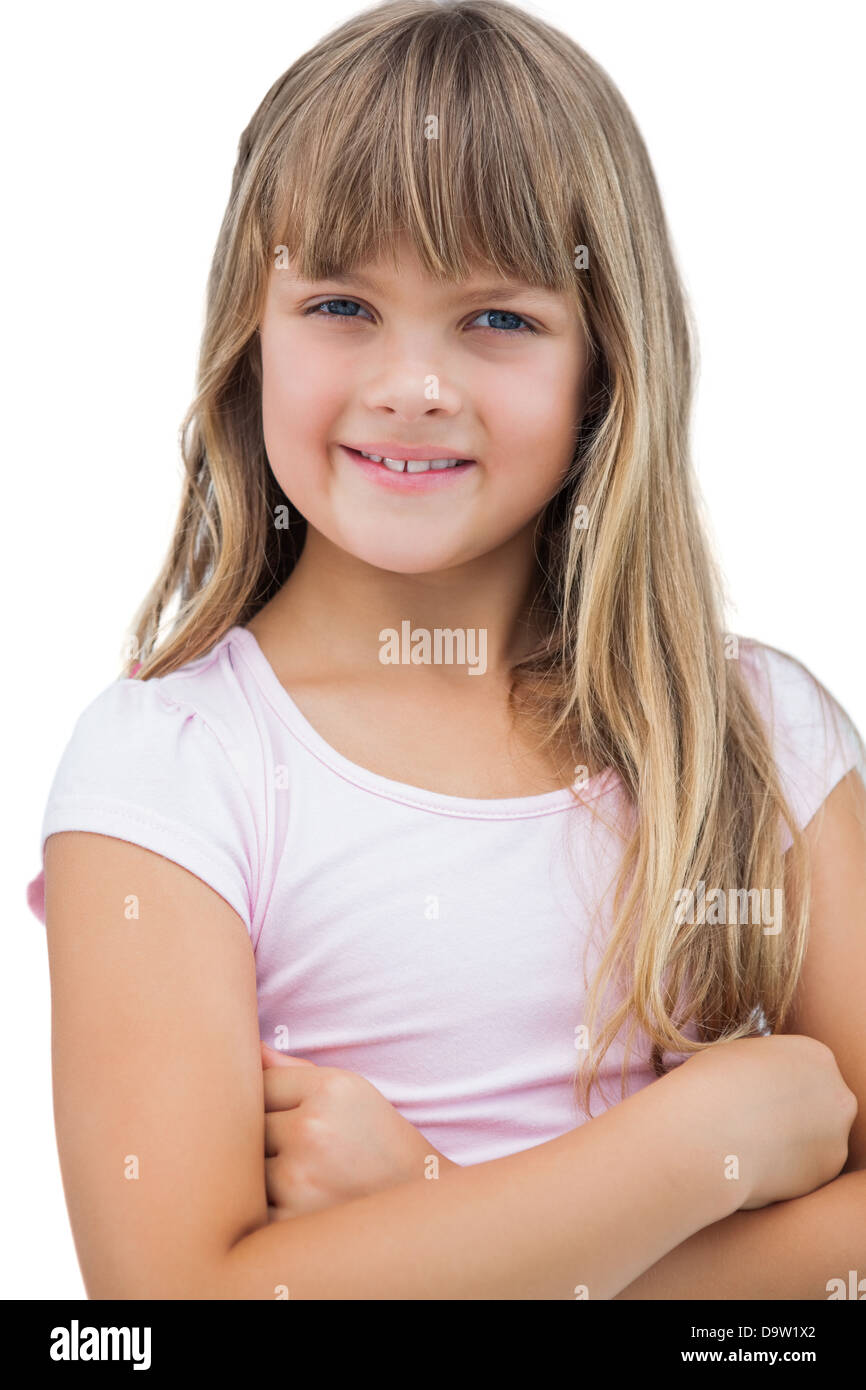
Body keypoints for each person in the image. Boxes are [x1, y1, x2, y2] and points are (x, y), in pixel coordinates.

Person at [27, 0, 866, 1300]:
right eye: (343, 302)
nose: (412, 382)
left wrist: (430, 1216)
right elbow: (169, 1310)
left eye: (497, 320)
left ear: (605, 368)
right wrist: (696, 1148)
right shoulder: (168, 770)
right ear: (251, 336)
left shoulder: (754, 730)